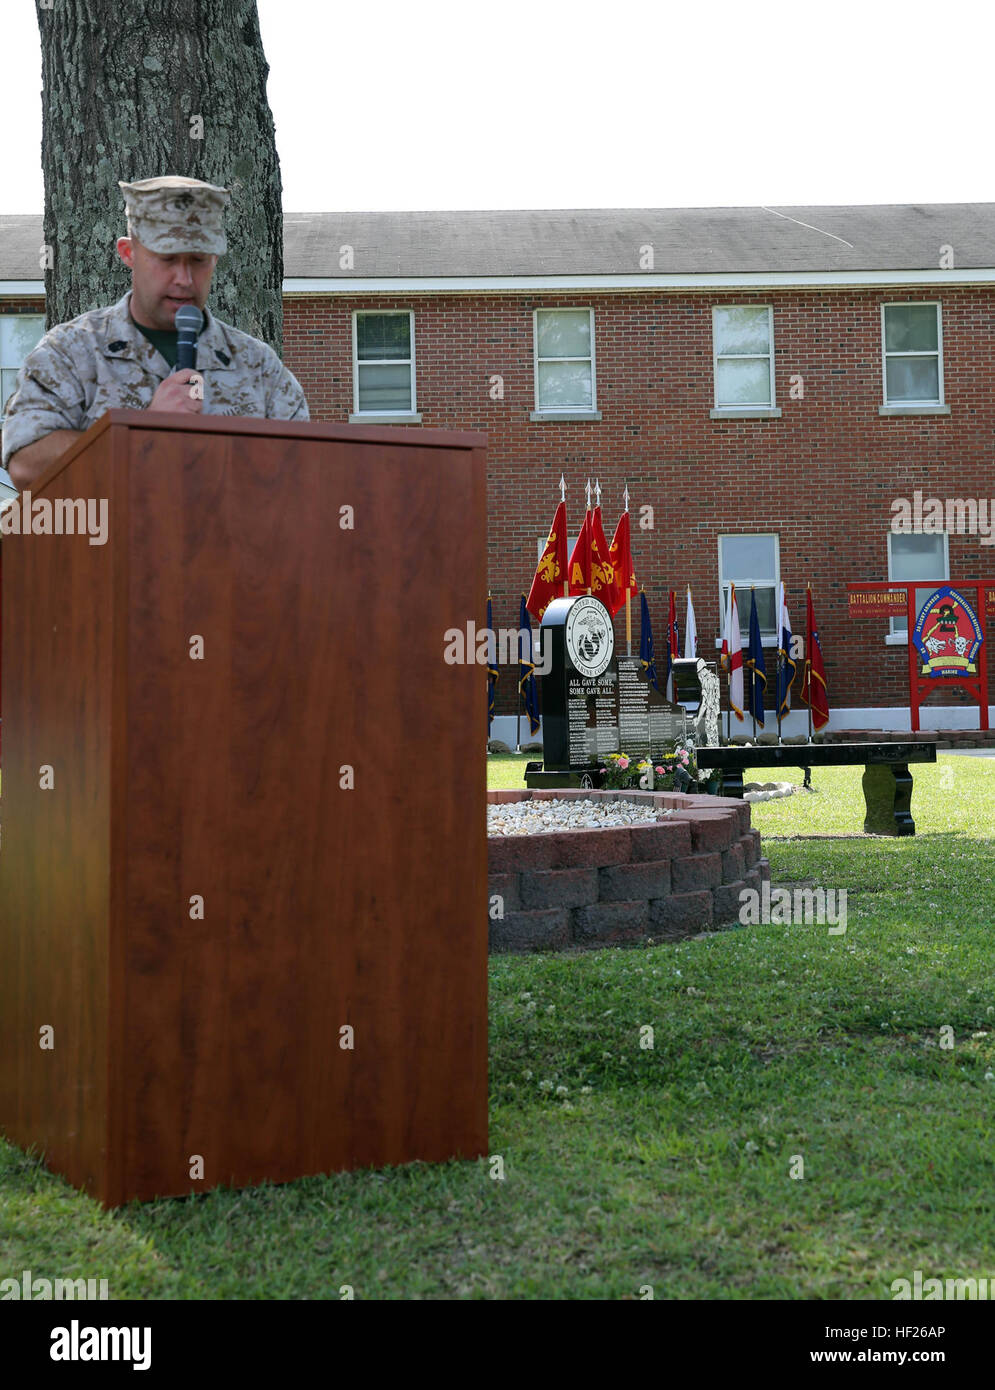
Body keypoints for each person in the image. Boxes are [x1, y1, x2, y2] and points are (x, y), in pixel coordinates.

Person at [1, 175, 309, 491]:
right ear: (128, 253)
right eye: (167, 258)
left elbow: (306, 471)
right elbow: (25, 464)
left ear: (214, 259)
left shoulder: (259, 367)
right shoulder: (68, 352)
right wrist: (140, 437)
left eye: (198, 260)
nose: (184, 279)